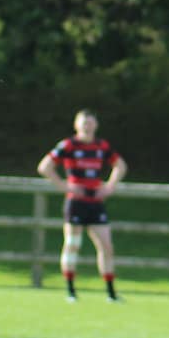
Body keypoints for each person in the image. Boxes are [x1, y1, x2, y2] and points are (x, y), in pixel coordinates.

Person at [38, 109, 127, 303]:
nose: (87, 126)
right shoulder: (68, 145)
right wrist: (64, 186)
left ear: (96, 125)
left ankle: (111, 292)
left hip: (95, 202)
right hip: (76, 202)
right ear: (76, 125)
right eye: (84, 123)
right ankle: (70, 291)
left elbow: (120, 165)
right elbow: (45, 166)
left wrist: (110, 186)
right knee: (72, 244)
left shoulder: (101, 146)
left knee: (106, 246)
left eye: (91, 122)